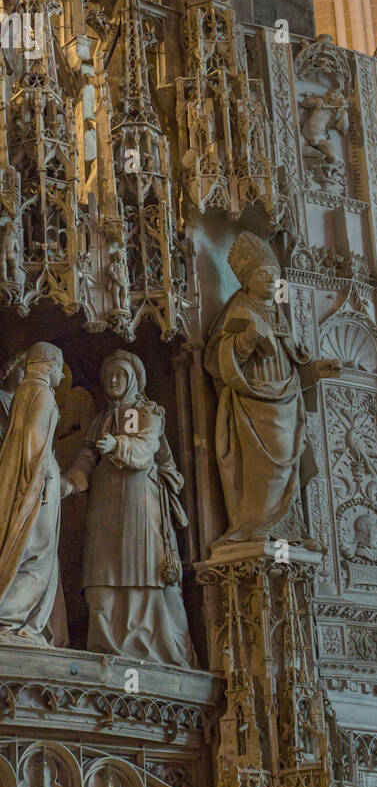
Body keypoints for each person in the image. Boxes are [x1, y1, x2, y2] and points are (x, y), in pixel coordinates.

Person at [204, 230, 338, 549]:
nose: (271, 281)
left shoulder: (277, 314)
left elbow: (291, 364)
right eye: (264, 275)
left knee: (288, 464)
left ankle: (290, 533)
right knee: (266, 466)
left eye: (275, 277)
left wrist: (314, 371)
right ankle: (254, 527)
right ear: (247, 280)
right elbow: (216, 358)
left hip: (287, 400)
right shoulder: (239, 308)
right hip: (255, 402)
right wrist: (248, 339)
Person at [63, 350, 195, 667]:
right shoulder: (101, 419)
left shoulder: (140, 413)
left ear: (133, 379)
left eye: (119, 374)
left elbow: (143, 444)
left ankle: (143, 649)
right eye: (108, 374)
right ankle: (106, 645)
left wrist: (118, 445)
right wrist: (69, 481)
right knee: (102, 571)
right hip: (105, 503)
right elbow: (87, 458)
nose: (112, 379)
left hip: (138, 501)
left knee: (140, 569)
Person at [0, 342, 65, 643]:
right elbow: (35, 438)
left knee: (24, 547)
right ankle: (11, 619)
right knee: (38, 551)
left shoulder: (23, 392)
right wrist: (40, 481)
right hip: (38, 480)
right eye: (61, 369)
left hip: (19, 478)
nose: (63, 377)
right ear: (50, 365)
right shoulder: (42, 392)